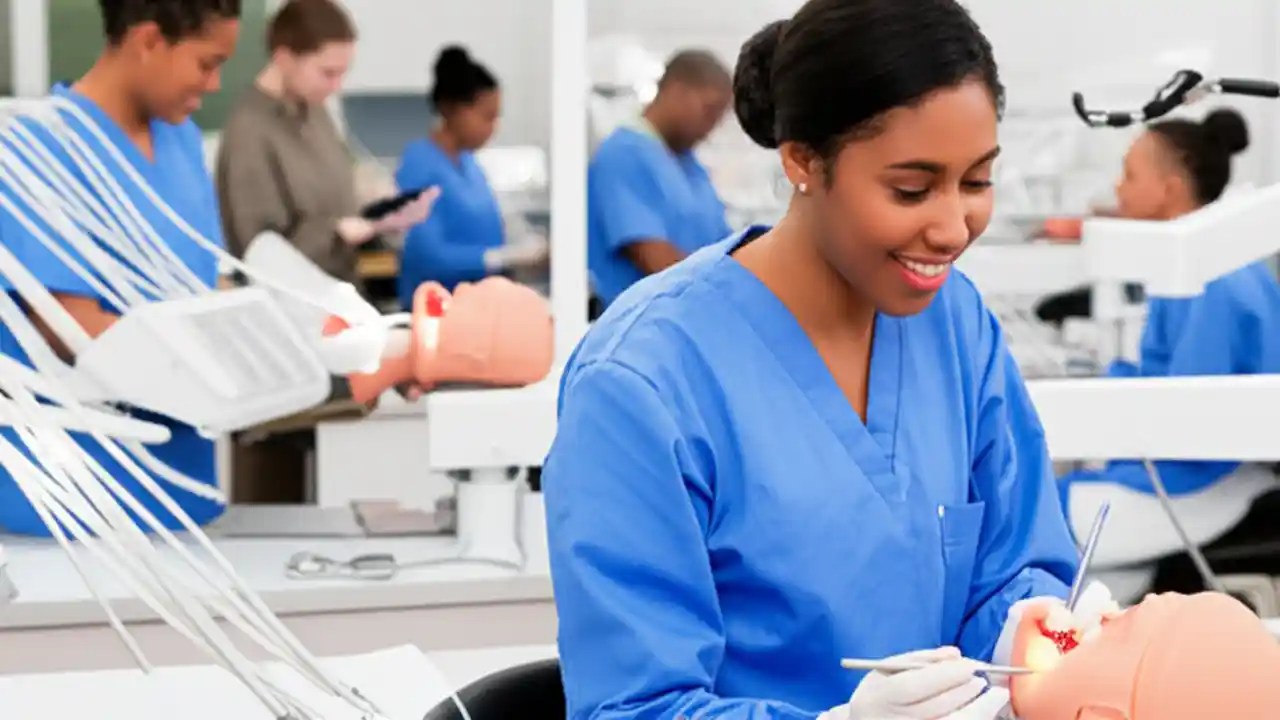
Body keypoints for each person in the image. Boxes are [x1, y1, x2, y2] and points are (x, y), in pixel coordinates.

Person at [543, 1, 1096, 718]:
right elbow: (632, 706)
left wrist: (1035, 627)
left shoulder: (955, 325)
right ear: (802, 159)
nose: (954, 227)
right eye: (911, 189)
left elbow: (1015, 568)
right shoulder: (642, 385)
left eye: (978, 182)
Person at [0, 0, 243, 534]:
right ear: (149, 41)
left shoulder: (180, 141)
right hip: (74, 505)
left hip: (182, 493)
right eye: (207, 62)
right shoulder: (40, 149)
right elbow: (69, 329)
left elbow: (213, 287)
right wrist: (220, 365)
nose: (217, 83)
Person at [1058, 109, 1280, 503]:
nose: (1118, 188)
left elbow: (1188, 411)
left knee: (1049, 508)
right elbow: (1163, 378)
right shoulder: (1194, 265)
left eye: (1130, 175)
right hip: (1186, 462)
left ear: (1169, 189)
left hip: (1201, 474)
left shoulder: (1211, 279)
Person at [217, 0, 433, 287]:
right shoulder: (249, 132)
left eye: (343, 73)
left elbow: (341, 180)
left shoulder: (314, 110)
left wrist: (380, 205)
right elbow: (260, 255)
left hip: (341, 294)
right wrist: (337, 232)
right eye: (328, 73)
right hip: (293, 311)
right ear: (283, 58)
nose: (336, 86)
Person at [586, 49, 734, 309]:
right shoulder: (624, 154)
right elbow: (653, 256)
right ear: (676, 92)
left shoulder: (687, 163)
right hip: (644, 325)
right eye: (709, 111)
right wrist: (724, 297)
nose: (712, 127)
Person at [395, 46, 538, 308]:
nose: (493, 128)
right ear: (452, 109)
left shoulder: (469, 164)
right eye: (487, 117)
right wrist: (501, 257)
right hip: (436, 311)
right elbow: (426, 255)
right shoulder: (419, 164)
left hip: (478, 308)